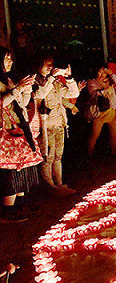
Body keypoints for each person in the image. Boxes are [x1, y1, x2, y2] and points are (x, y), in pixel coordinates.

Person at [0, 48, 40, 222]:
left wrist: (25, 89)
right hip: (5, 130)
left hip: (18, 128)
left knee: (22, 167)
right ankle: (8, 210)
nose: (10, 62)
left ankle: (21, 203)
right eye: (6, 59)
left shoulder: (8, 79)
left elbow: (21, 104)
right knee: (10, 171)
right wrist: (17, 89)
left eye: (11, 59)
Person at [33, 56, 82, 195]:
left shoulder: (54, 82)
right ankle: (50, 186)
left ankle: (59, 184)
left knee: (58, 156)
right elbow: (39, 94)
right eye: (46, 65)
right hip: (45, 125)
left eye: (51, 65)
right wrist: (51, 78)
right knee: (47, 157)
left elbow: (72, 93)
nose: (49, 67)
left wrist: (69, 78)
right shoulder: (35, 81)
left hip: (60, 124)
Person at [86, 63, 116, 156]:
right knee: (95, 134)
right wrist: (107, 89)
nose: (102, 74)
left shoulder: (109, 80)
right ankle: (89, 153)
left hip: (112, 109)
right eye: (100, 72)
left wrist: (112, 74)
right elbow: (94, 93)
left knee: (114, 133)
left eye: (104, 72)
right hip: (99, 111)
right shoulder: (92, 82)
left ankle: (113, 152)